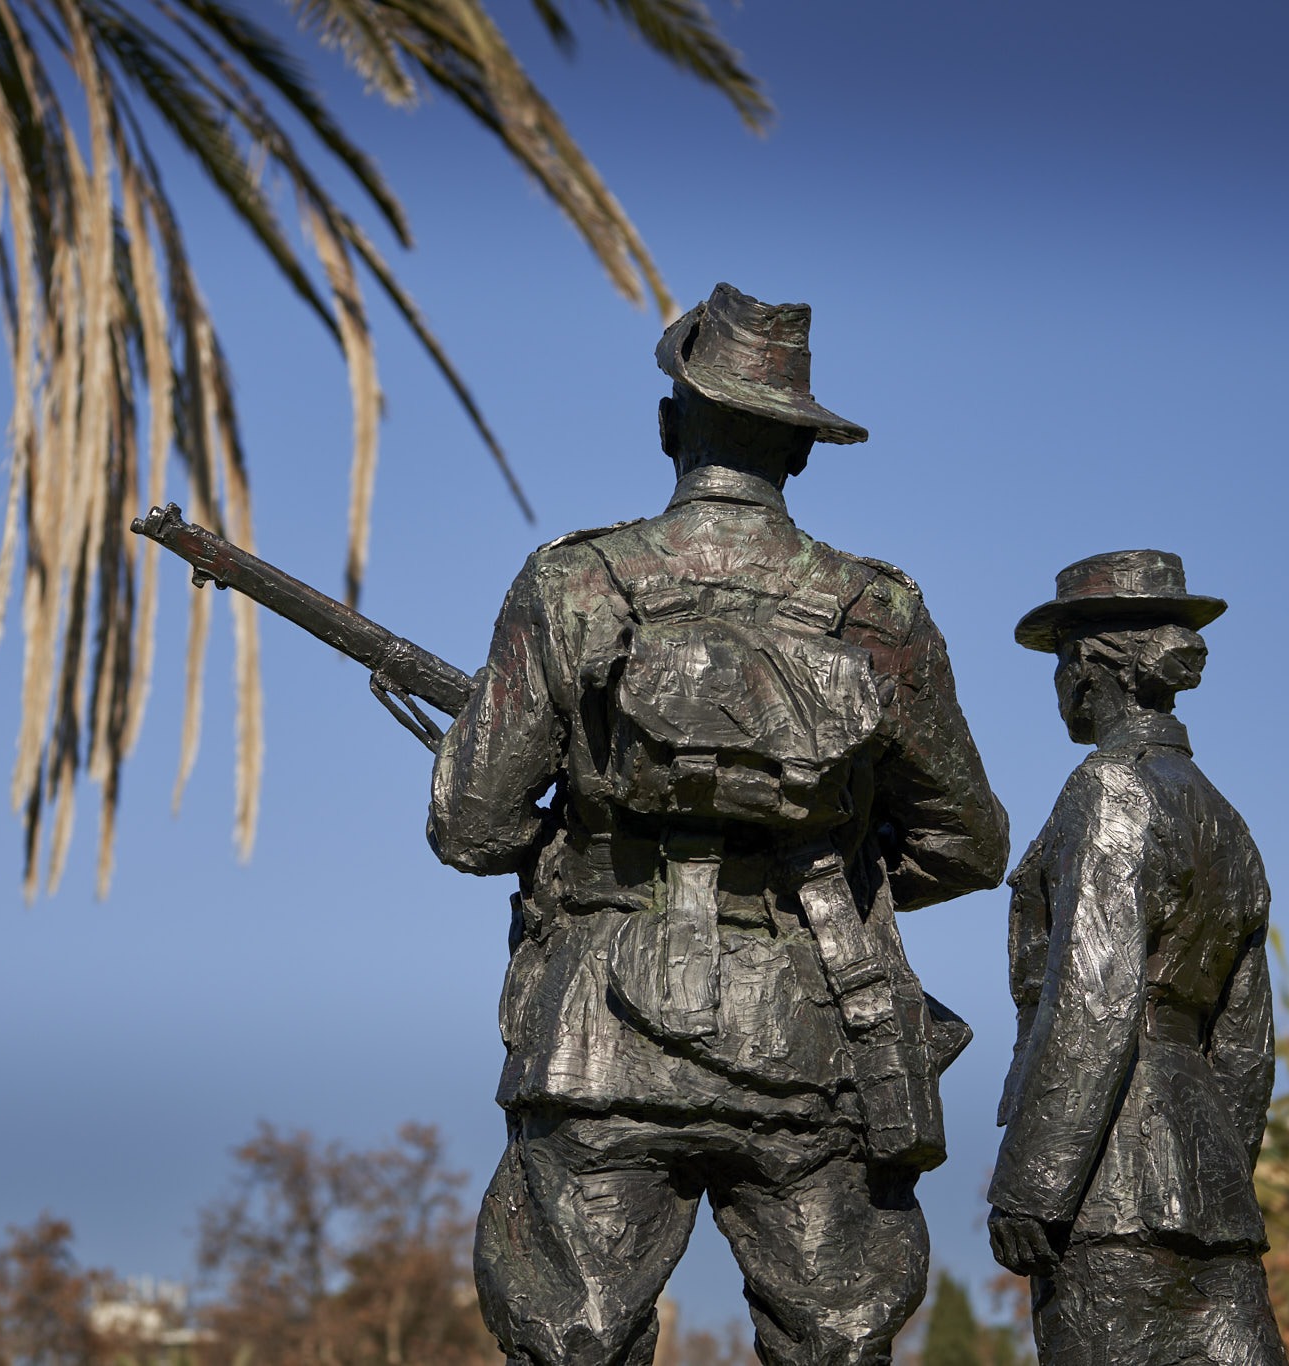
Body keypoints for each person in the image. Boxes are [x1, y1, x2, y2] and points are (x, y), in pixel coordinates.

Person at [428, 283, 1007, 1366]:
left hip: (597, 1034)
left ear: (668, 426)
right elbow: (967, 841)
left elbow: (469, 826)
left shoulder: (573, 582)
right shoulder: (878, 610)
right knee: (838, 1343)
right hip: (817, 1030)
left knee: (570, 1343)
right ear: (798, 451)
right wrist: (820, 879)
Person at [987, 550, 1287, 1366]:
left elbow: (1093, 1000)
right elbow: (1248, 1050)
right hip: (1213, 1184)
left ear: (1089, 669)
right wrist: (1219, 1171)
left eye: (1058, 664)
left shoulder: (1108, 791)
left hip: (1111, 1185)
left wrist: (1033, 1184)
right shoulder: (1226, 817)